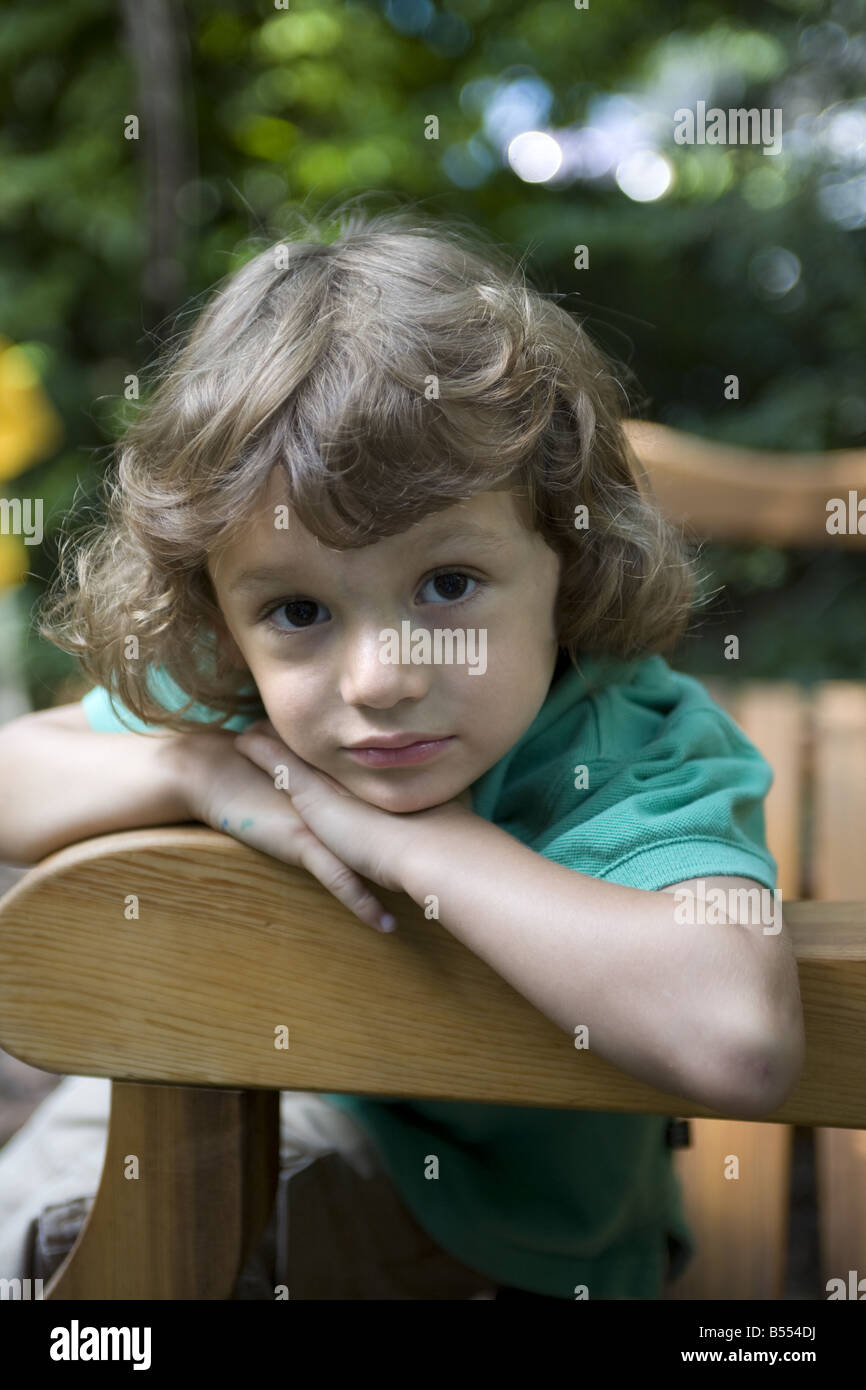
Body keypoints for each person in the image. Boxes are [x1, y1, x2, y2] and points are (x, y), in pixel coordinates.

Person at [0, 202, 805, 1300]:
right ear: (219, 616)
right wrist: (190, 769)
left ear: (563, 560)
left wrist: (408, 843)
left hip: (519, 1248)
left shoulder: (627, 740)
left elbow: (735, 1040)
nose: (379, 677)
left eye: (447, 585)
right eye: (295, 609)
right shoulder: (239, 705)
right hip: (254, 1105)